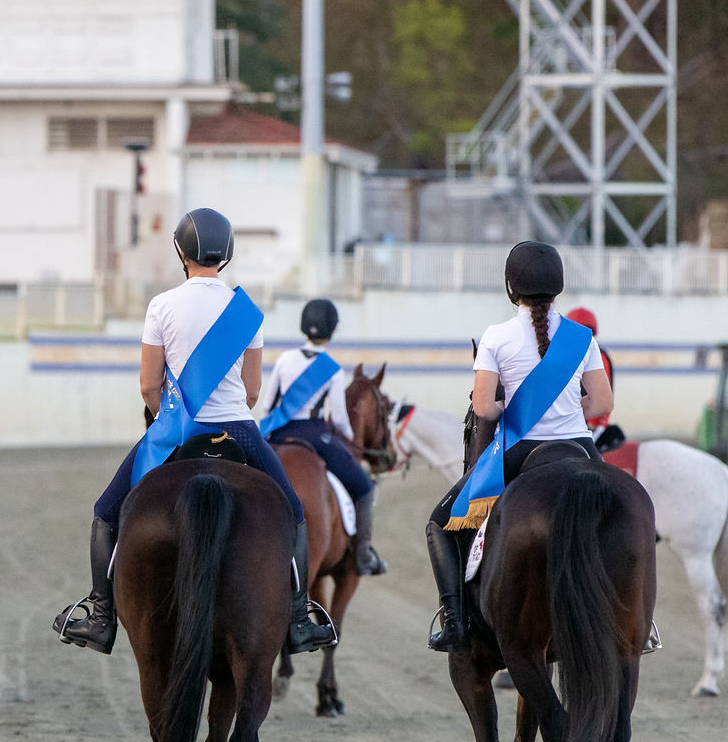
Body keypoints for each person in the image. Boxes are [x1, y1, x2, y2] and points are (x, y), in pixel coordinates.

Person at [51, 208, 337, 656]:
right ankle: (299, 619)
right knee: (295, 512)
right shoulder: (248, 314)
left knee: (106, 511)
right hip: (238, 430)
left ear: (180, 252)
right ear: (227, 255)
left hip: (175, 431)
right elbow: (252, 390)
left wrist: (168, 419)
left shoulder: (162, 305)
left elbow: (149, 384)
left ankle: (102, 615)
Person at [425, 241, 612, 653]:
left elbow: (482, 407)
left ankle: (454, 622)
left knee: (442, 523)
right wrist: (569, 406)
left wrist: (509, 405)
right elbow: (601, 403)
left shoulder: (497, 337)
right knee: (620, 513)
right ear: (558, 287)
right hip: (579, 446)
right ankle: (638, 621)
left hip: (521, 450)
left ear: (512, 288)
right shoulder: (582, 337)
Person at [259, 298, 386, 576]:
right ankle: (363, 554)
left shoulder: (283, 359)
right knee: (364, 487)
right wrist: (352, 439)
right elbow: (339, 418)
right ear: (331, 331)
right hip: (315, 435)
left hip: (279, 434)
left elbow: (269, 405)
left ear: (304, 326)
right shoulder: (333, 369)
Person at [564, 306, 613, 432]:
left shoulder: (597, 355)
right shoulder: (575, 354)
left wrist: (593, 422)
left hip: (590, 423)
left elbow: (601, 397)